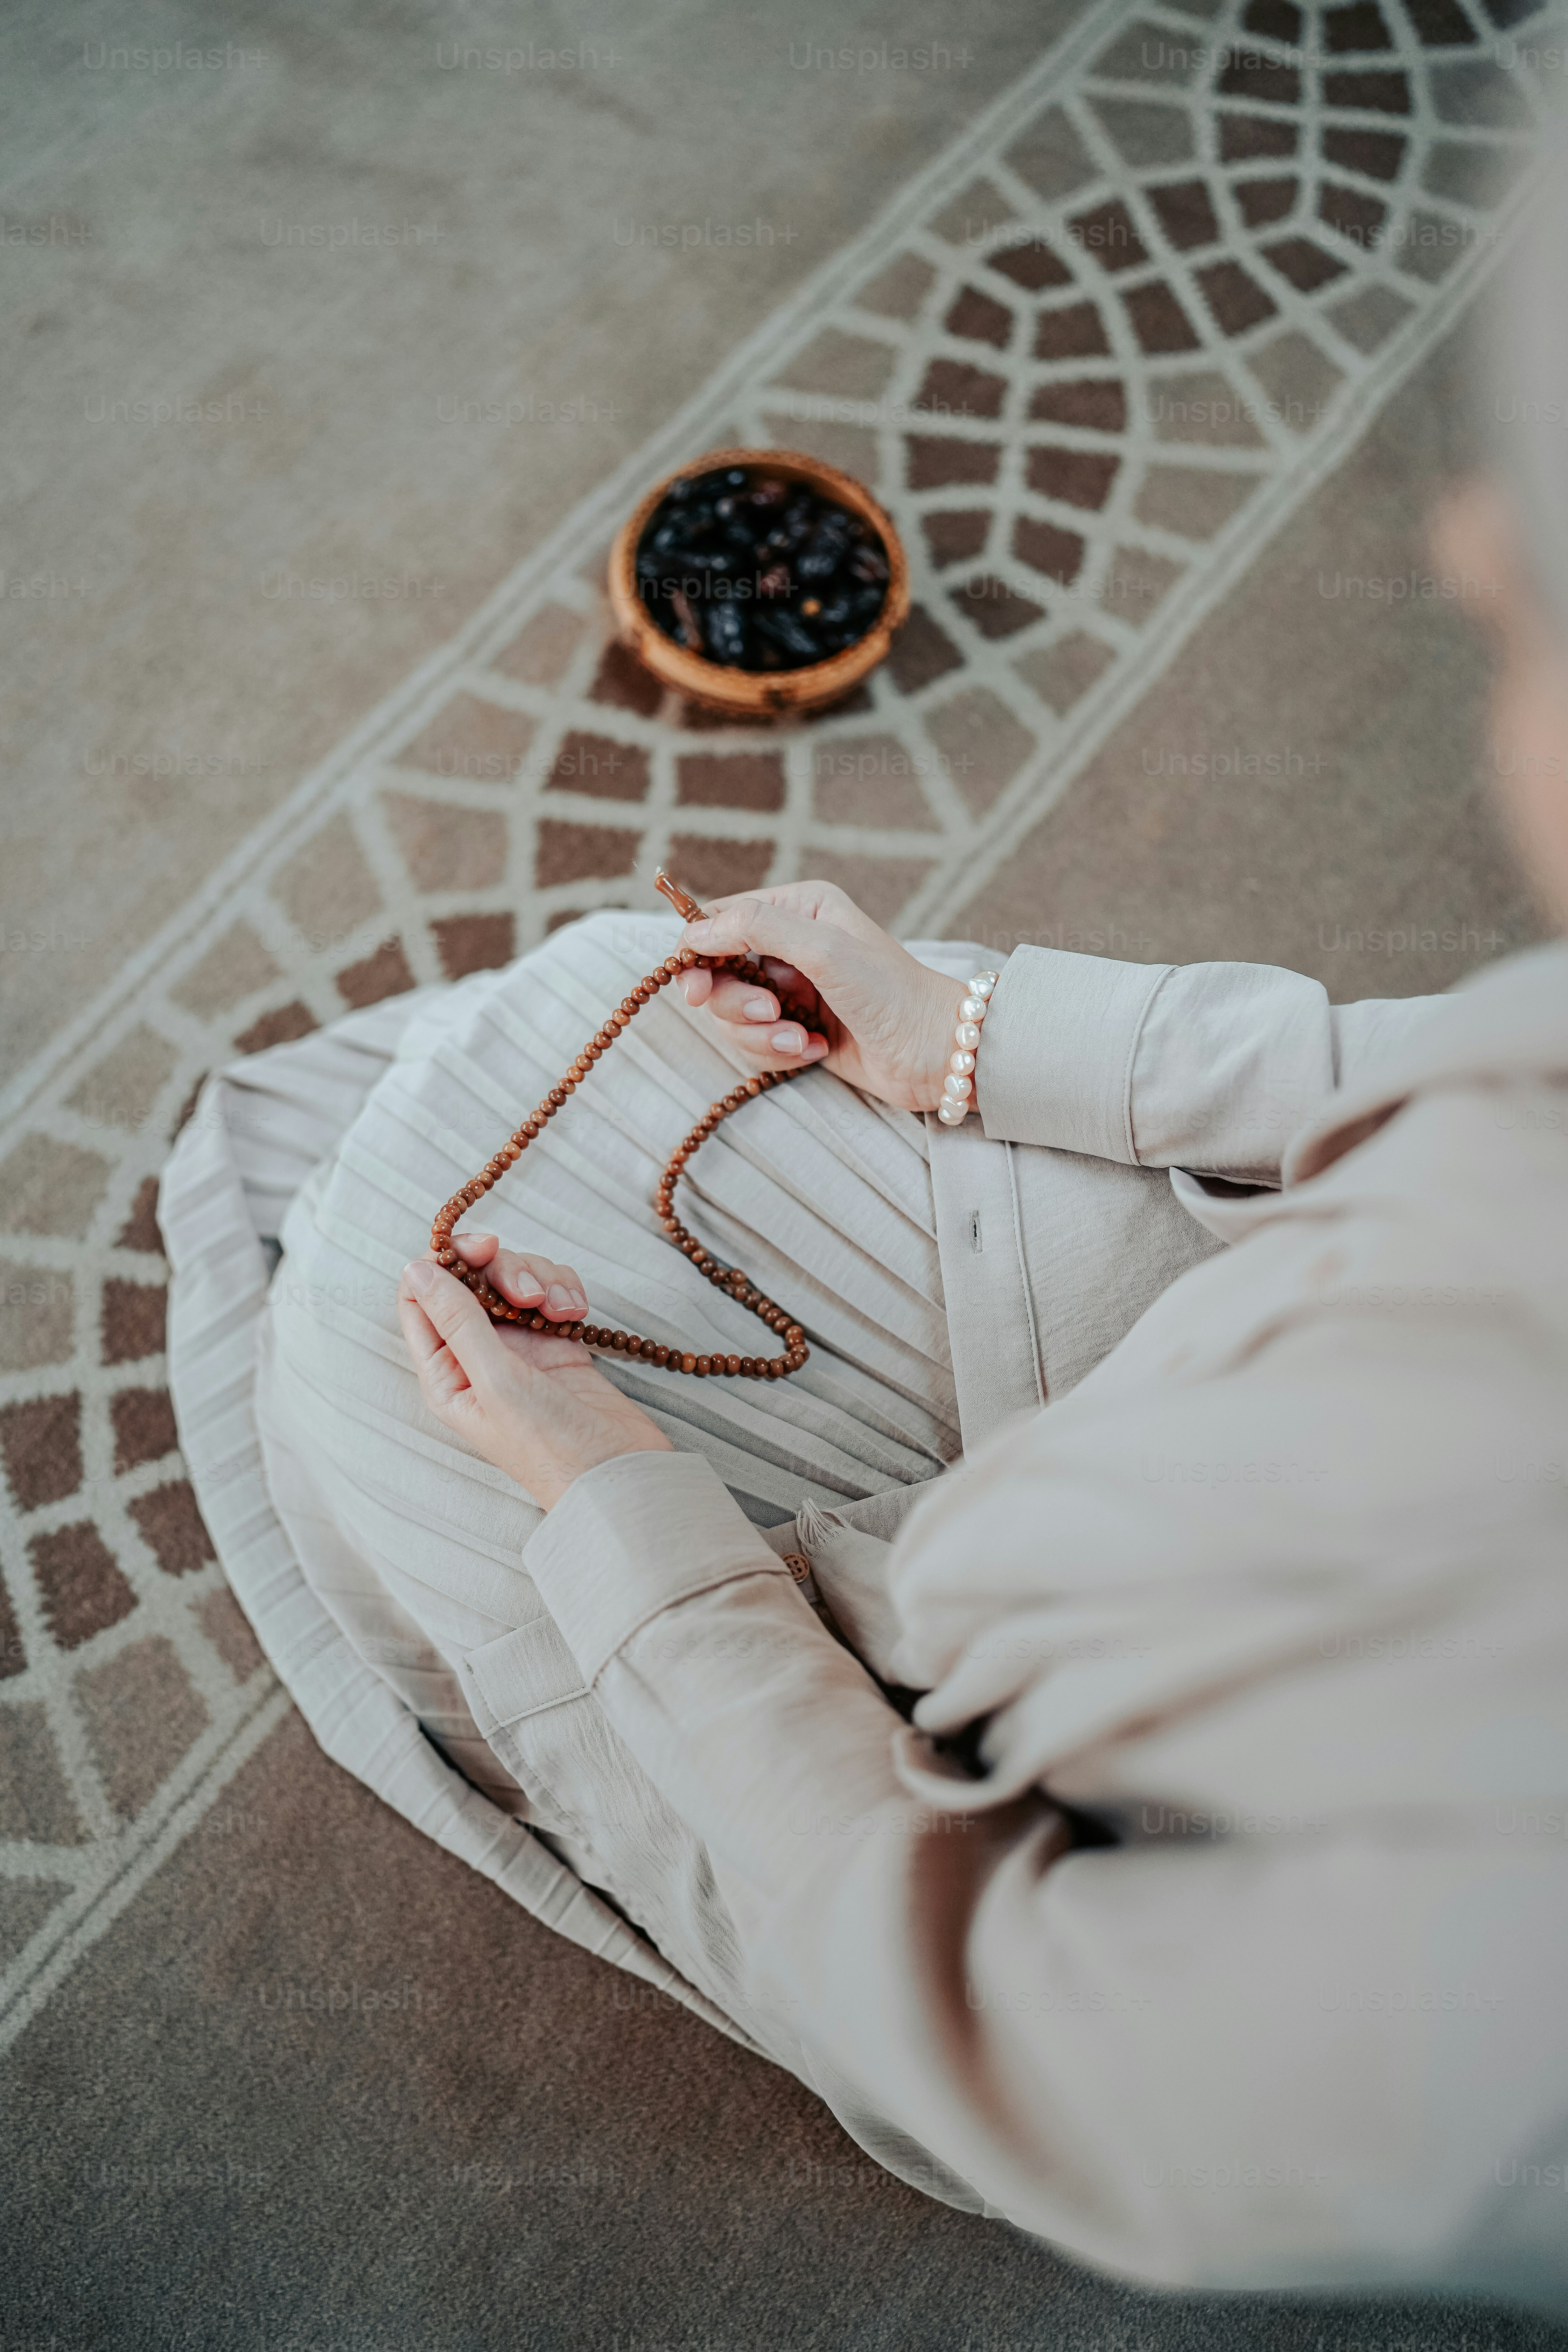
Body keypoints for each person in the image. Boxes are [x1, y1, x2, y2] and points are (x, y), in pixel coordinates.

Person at [162, 192, 1568, 2308]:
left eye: (1521, 605)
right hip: (1165, 1373)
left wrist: (632, 1514)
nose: (1463, 558)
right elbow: (1430, 1072)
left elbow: (1007, 2021)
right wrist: (973, 1037)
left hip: (997, 1802)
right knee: (595, 1010)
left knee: (384, 1355)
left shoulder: (1471, 2051)